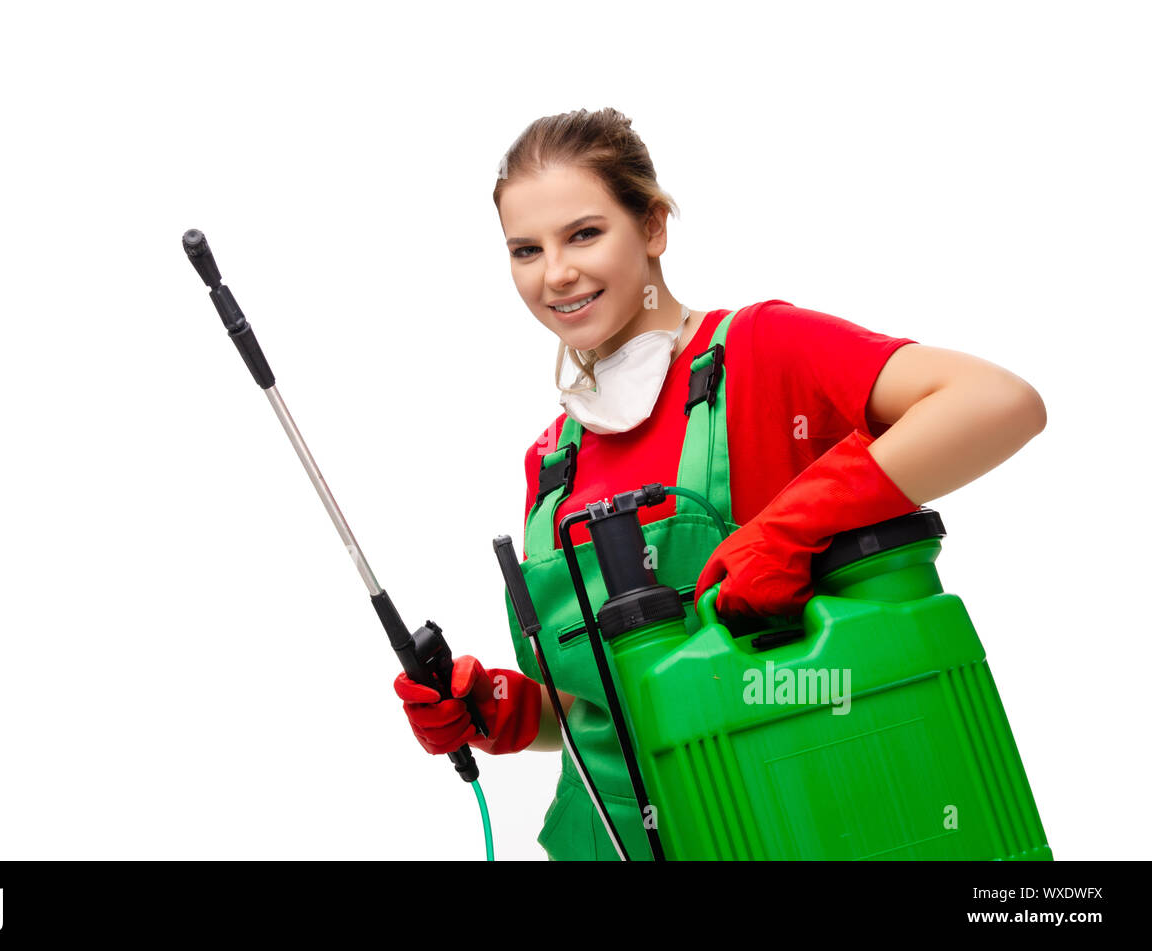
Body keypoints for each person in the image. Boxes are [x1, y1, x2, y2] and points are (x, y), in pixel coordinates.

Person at [393, 107, 1048, 860]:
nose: (556, 272)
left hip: (789, 825)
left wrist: (789, 526)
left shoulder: (760, 354)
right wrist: (510, 712)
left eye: (584, 233)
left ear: (654, 226)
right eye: (525, 249)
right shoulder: (551, 463)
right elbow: (618, 706)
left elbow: (1000, 403)